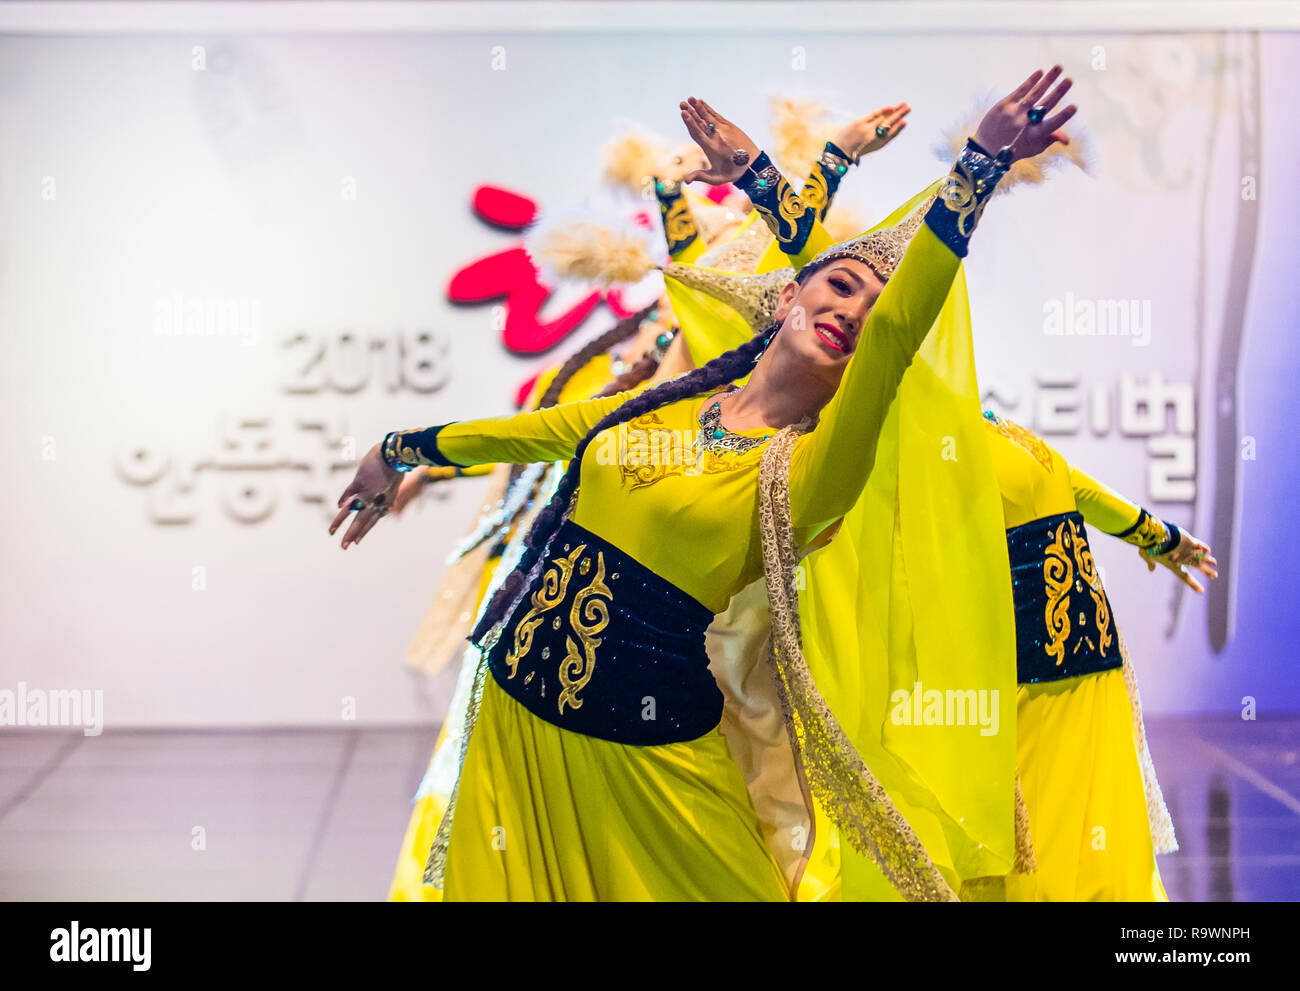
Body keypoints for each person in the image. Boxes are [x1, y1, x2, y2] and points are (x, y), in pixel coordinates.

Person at [331, 67, 1077, 901]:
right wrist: (400, 449)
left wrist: (977, 164)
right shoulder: (668, 408)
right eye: (838, 285)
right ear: (788, 296)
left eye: (871, 315)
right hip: (517, 717)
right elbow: (538, 432)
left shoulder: (813, 465)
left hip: (649, 756)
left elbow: (903, 322)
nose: (853, 314)